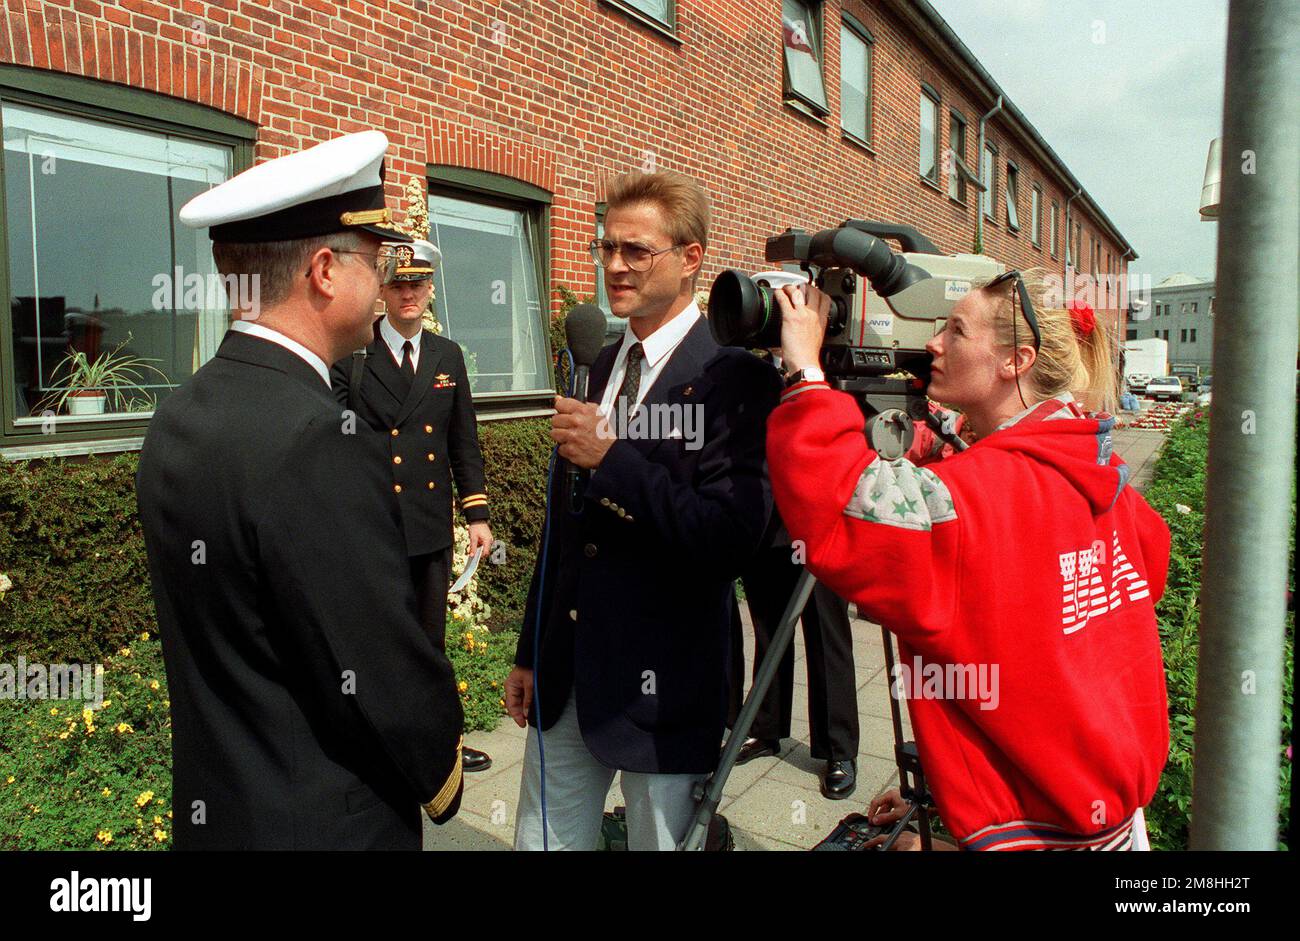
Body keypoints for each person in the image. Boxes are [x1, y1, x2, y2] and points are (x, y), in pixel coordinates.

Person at [136, 131, 465, 850]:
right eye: (373, 261)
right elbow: (378, 666)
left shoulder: (177, 413)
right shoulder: (319, 439)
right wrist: (442, 764)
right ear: (324, 270)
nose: (383, 282)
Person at [766, 267, 1170, 850]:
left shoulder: (978, 494)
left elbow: (839, 510)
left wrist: (806, 372)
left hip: (1039, 835)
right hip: (1108, 815)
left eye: (956, 331)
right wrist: (950, 798)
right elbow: (1136, 577)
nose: (934, 343)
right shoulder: (1098, 472)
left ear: (1016, 361)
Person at [504, 170, 782, 850]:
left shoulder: (734, 377)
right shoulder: (598, 363)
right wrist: (529, 649)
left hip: (667, 686)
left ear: (691, 258)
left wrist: (614, 460)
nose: (615, 266)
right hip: (569, 674)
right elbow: (566, 525)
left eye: (636, 250)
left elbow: (730, 537)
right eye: (607, 248)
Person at [330, 238, 494, 773]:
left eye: (417, 284)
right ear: (381, 289)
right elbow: (330, 442)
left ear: (429, 291)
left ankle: (437, 743)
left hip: (428, 529)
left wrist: (477, 514)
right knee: (376, 639)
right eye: (398, 284)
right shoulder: (353, 356)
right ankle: (378, 742)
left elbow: (461, 440)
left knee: (429, 642)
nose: (408, 294)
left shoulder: (447, 356)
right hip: (372, 527)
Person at [727, 512, 860, 800]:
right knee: (768, 630)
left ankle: (838, 748)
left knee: (827, 635)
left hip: (823, 521)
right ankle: (766, 727)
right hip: (768, 517)